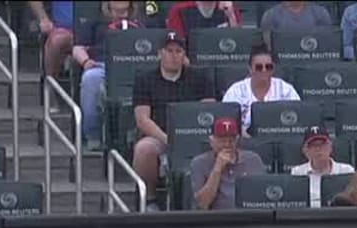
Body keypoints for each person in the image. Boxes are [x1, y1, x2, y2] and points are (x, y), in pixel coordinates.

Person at [132, 31, 219, 207]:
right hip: (161, 137)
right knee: (144, 149)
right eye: (169, 51)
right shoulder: (144, 79)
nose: (174, 56)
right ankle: (149, 200)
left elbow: (209, 110)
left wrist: (188, 139)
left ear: (184, 55)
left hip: (195, 136)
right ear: (159, 54)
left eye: (178, 51)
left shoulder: (200, 78)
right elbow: (142, 119)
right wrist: (169, 139)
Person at [71, 0, 146, 151]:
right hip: (102, 66)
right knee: (90, 78)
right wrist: (86, 61)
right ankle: (93, 136)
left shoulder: (141, 22)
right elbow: (77, 48)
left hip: (136, 67)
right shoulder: (95, 21)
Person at [190, 115, 266, 210]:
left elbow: (263, 199)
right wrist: (217, 169)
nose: (227, 145)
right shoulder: (199, 163)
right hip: (216, 220)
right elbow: (202, 204)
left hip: (248, 216)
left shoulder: (253, 160)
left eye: (231, 140)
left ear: (237, 140)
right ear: (212, 141)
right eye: (222, 141)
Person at [222, 46, 300, 133]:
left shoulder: (286, 90)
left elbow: (298, 119)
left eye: (268, 67)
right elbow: (226, 122)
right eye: (259, 67)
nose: (264, 70)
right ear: (250, 69)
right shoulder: (236, 91)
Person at [290, 126, 355, 207]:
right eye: (313, 145)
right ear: (305, 150)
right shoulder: (297, 172)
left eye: (322, 144)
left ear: (330, 147)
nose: (318, 149)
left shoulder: (347, 171)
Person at [26, 1, 76, 79]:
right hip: (63, 29)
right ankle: (50, 84)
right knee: (57, 41)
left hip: (94, 30)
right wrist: (43, 18)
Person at [165, 0, 239, 40]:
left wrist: (231, 17)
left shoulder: (229, 9)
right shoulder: (179, 10)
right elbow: (176, 46)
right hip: (192, 63)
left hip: (222, 61)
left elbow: (238, 44)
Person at [259, 0, 334, 32]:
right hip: (281, 62)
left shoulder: (321, 13)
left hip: (314, 61)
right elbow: (268, 49)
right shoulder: (270, 15)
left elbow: (326, 43)